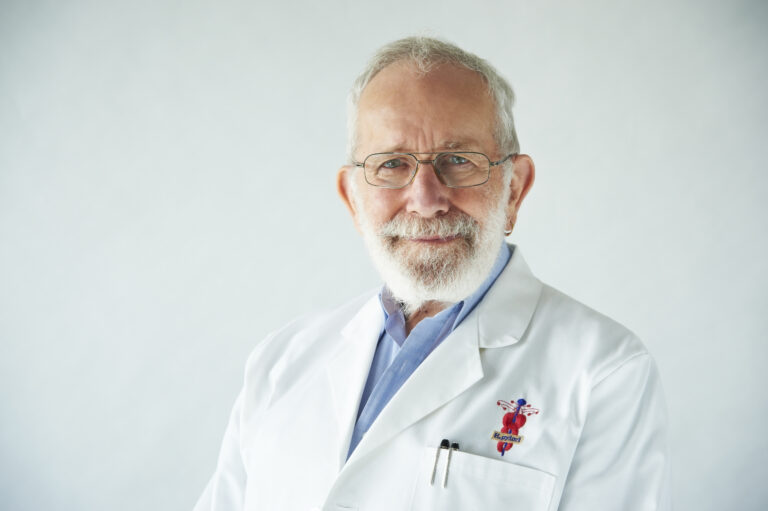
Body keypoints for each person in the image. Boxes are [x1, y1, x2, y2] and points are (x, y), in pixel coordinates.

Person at [194, 36, 670, 511]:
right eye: (392, 164)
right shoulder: (281, 360)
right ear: (353, 198)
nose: (426, 200)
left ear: (514, 189)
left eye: (458, 161)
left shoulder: (604, 371)